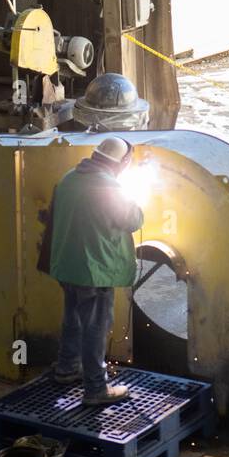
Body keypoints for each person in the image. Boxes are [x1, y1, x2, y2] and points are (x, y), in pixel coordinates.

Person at [43, 137, 143, 406]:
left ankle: (67, 368)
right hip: (93, 270)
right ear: (122, 161)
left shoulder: (69, 178)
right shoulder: (109, 185)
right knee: (96, 326)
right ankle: (96, 388)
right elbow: (133, 220)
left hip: (66, 264)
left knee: (73, 318)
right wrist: (133, 197)